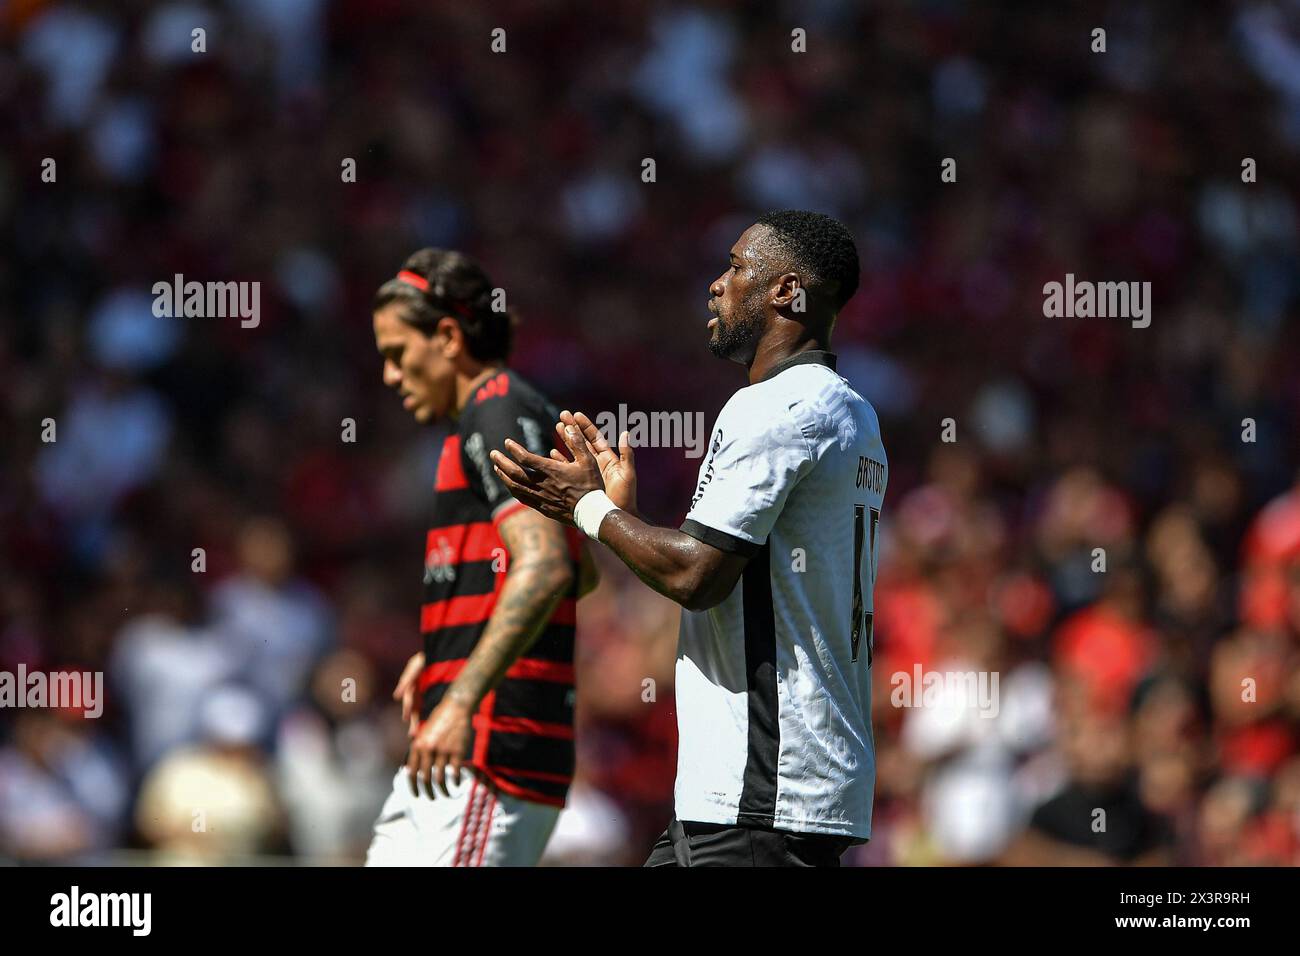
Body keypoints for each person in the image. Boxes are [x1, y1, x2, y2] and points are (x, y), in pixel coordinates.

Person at [490, 210, 885, 866]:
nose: (716, 284)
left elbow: (696, 577)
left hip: (762, 790)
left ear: (788, 292)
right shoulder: (852, 413)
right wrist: (626, 520)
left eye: (735, 267)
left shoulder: (774, 409)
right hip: (771, 789)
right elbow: (728, 575)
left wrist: (585, 506)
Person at [365, 248, 596, 866]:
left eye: (397, 354)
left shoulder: (497, 408)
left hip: (488, 750)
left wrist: (461, 698)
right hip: (452, 753)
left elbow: (548, 567)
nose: (390, 375)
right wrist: (442, 653)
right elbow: (578, 570)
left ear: (446, 336)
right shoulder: (489, 416)